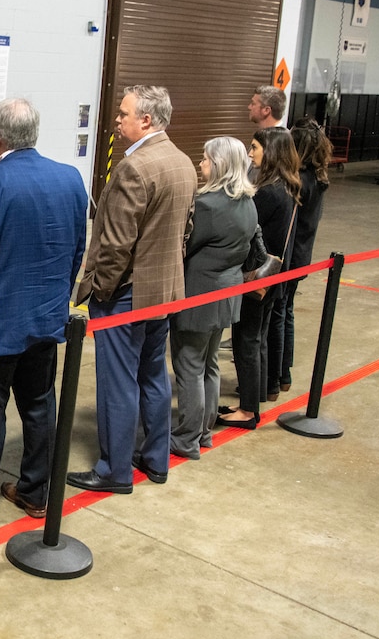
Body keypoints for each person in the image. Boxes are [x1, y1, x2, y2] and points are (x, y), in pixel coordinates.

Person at [0, 99, 87, 527]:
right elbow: (77, 248)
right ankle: (34, 493)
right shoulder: (70, 179)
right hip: (47, 317)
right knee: (40, 405)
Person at [68, 85, 197, 493]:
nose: (117, 120)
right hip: (164, 290)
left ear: (146, 119)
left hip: (126, 294)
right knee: (154, 374)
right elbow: (186, 230)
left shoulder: (134, 169)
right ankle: (156, 459)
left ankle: (114, 469)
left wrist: (101, 292)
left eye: (123, 113)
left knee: (118, 382)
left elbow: (116, 244)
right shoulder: (182, 162)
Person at [169, 137, 256, 459]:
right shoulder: (247, 201)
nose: (201, 164)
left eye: (205, 159)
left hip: (200, 295)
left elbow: (185, 246)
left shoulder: (208, 205)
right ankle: (203, 432)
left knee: (189, 365)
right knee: (209, 364)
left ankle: (187, 437)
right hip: (227, 293)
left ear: (218, 165)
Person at [220, 128, 299, 429]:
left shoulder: (267, 192)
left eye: (254, 148)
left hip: (259, 278)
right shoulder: (288, 186)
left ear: (271, 152)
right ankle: (258, 396)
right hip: (276, 277)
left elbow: (247, 230)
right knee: (258, 339)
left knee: (246, 342)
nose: (250, 153)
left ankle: (248, 410)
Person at [272, 119, 332, 395]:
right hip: (302, 255)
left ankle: (277, 374)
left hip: (290, 257)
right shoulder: (318, 178)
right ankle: (284, 374)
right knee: (287, 312)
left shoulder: (299, 182)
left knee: (279, 313)